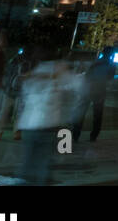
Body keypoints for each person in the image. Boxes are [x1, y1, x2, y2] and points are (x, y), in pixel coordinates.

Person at [17, 48, 83, 185]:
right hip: (48, 124)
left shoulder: (33, 72)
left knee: (28, 161)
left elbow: (24, 95)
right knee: (43, 161)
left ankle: (25, 181)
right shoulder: (60, 72)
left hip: (29, 124)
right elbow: (80, 87)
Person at [72, 48, 116, 142]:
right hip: (100, 90)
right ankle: (93, 135)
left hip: (89, 88)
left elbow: (87, 75)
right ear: (111, 55)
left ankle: (76, 134)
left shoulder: (95, 62)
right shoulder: (111, 65)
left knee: (82, 111)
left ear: (102, 53)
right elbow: (110, 77)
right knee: (98, 114)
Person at [0, 47, 28, 140]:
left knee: (16, 113)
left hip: (18, 92)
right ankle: (0, 131)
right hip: (11, 91)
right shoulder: (12, 63)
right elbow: (6, 75)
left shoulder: (24, 64)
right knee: (6, 112)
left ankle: (13, 132)